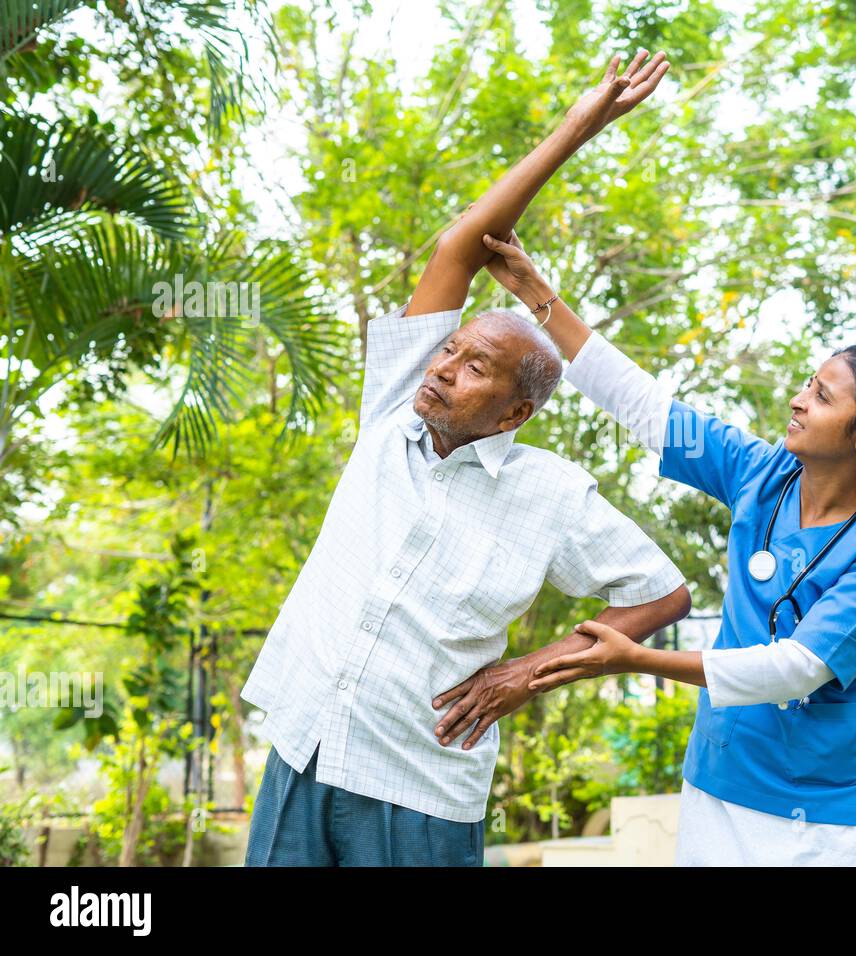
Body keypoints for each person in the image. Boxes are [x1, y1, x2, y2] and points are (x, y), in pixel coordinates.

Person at [240, 50, 689, 867]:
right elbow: (464, 244)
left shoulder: (551, 494)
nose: (444, 368)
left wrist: (532, 671)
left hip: (420, 787)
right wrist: (578, 126)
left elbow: (661, 595)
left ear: (516, 410)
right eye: (449, 350)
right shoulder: (392, 414)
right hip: (303, 748)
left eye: (474, 366)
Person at [455, 224, 856, 866]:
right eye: (806, 384)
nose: (796, 401)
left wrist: (638, 660)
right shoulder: (760, 473)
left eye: (821, 397)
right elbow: (643, 404)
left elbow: (794, 668)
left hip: (826, 816)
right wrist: (537, 296)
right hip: (722, 783)